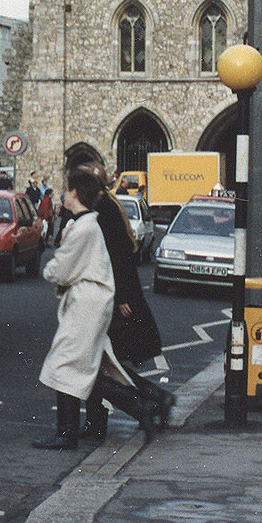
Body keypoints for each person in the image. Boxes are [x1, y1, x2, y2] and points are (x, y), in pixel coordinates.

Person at [33, 166, 165, 450]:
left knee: (67, 365)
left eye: (67, 190)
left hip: (87, 305)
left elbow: (61, 269)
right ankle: (147, 407)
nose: (64, 194)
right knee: (87, 368)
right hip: (89, 303)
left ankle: (69, 433)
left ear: (76, 193)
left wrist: (49, 270)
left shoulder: (84, 228)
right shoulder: (85, 225)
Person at [80, 164, 173, 440]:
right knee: (98, 364)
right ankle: (100, 422)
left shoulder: (103, 208)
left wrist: (121, 297)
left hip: (113, 299)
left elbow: (116, 255)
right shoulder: (105, 205)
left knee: (98, 365)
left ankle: (149, 402)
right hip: (113, 295)